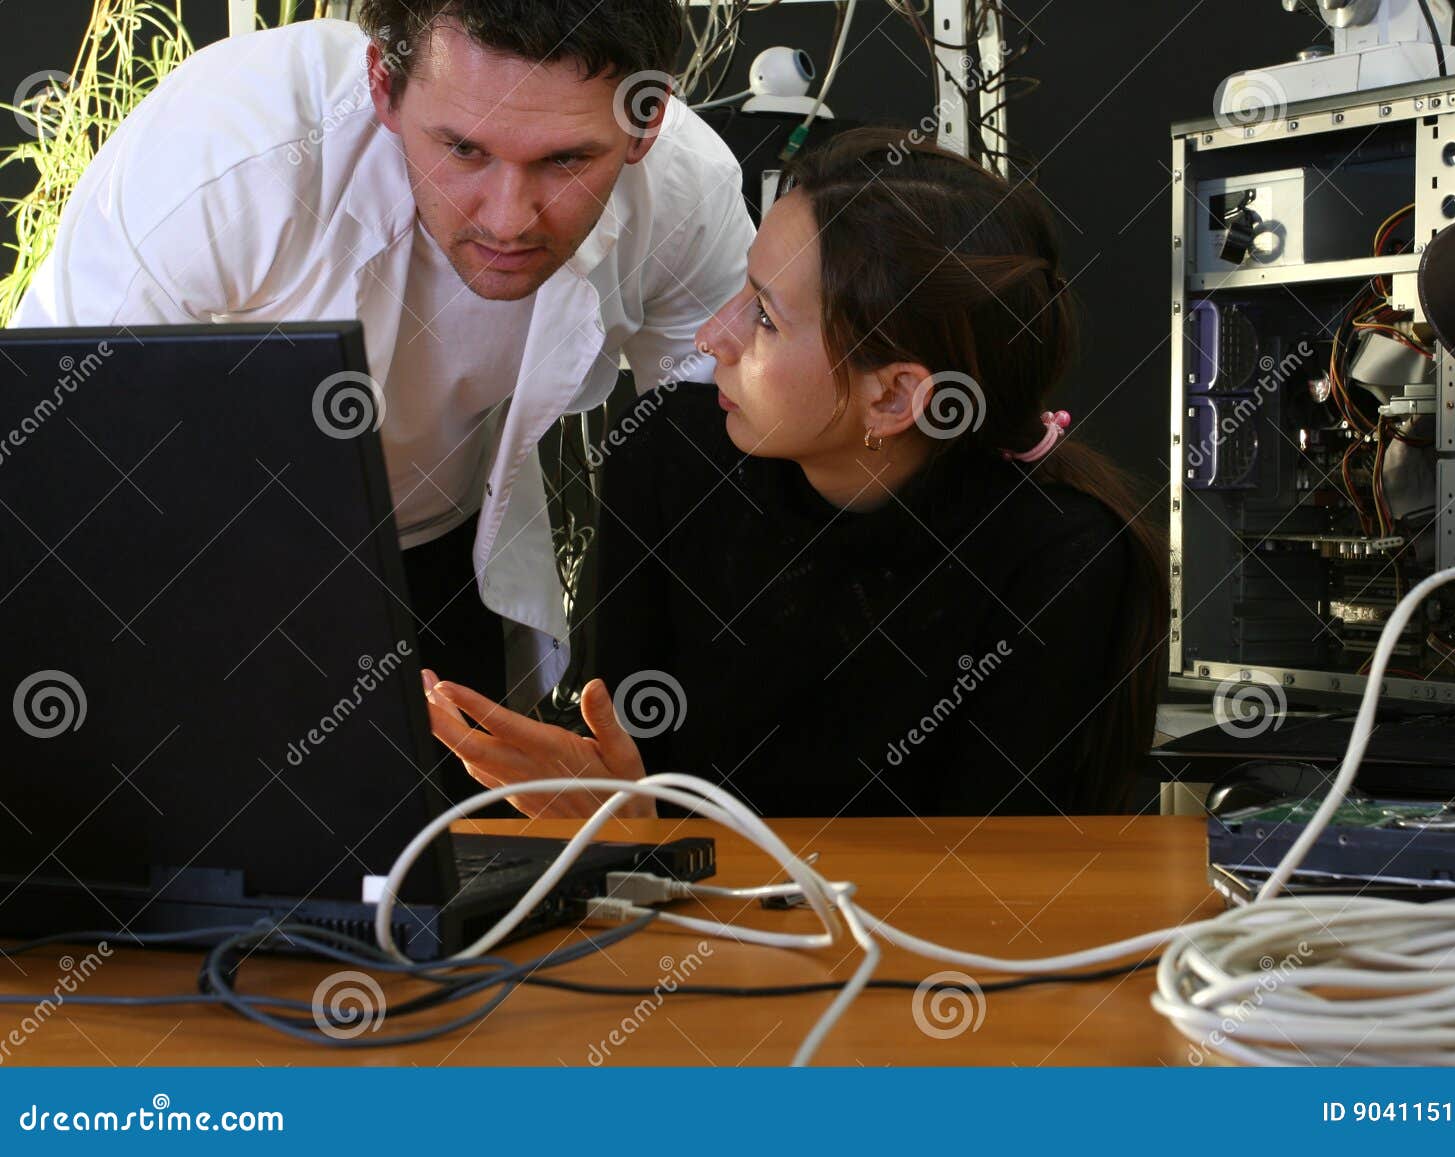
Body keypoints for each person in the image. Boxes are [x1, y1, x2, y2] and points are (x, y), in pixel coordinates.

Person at [10, 2, 754, 742]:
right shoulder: (229, 157)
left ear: (647, 120)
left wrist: (656, 769)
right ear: (383, 85)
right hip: (188, 553)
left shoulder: (686, 196)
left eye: (565, 161)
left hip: (437, 549)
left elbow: (706, 469)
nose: (508, 219)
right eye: (463, 148)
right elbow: (63, 465)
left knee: (461, 850)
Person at [423, 128, 1167, 819]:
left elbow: (999, 877)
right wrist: (617, 816)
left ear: (896, 396)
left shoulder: (1064, 560)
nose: (714, 334)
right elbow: (632, 774)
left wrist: (668, 837)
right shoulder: (668, 458)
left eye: (767, 318)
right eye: (743, 289)